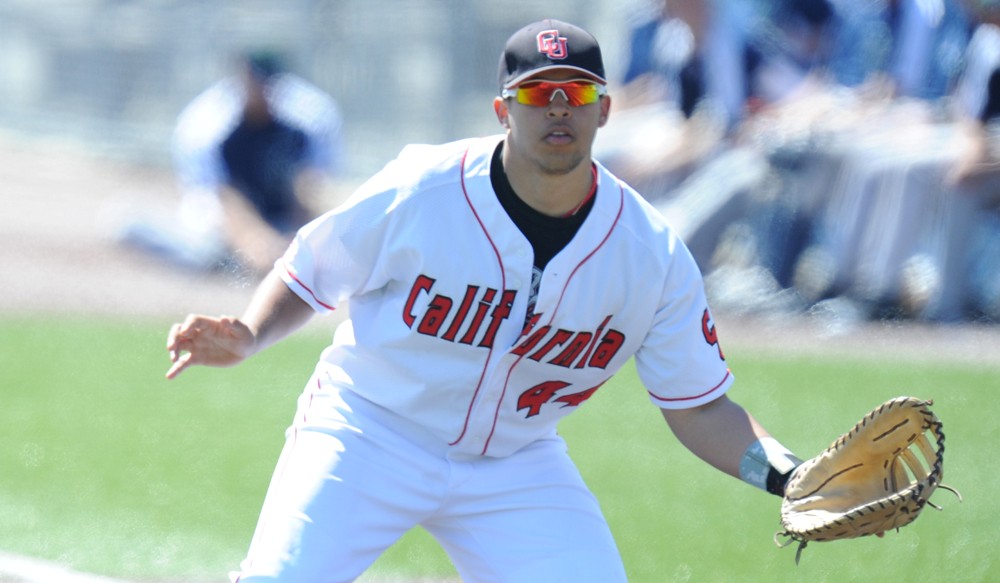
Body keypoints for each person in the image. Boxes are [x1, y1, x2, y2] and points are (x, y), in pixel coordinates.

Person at [165, 20, 802, 582]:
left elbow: (700, 408)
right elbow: (310, 270)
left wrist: (791, 478)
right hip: (369, 433)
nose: (558, 108)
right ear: (503, 109)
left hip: (516, 466)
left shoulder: (651, 255)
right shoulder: (425, 188)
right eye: (537, 93)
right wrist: (250, 333)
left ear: (605, 111)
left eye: (576, 93)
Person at [121, 51, 343, 275]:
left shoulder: (294, 130)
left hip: (275, 221)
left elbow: (308, 191)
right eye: (257, 81)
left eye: (270, 83)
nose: (264, 89)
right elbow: (222, 199)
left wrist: (300, 239)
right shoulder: (218, 128)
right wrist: (256, 241)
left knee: (324, 248)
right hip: (218, 219)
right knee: (203, 253)